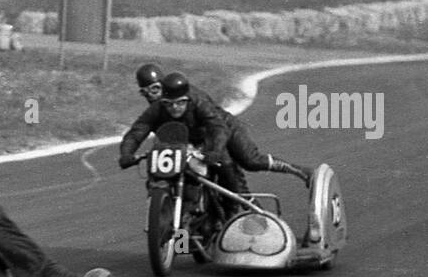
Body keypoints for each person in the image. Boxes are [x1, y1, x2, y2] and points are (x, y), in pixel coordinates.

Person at [124, 66, 312, 192]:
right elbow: (137, 132)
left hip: (221, 130)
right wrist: (126, 154)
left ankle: (299, 171)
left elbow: (217, 128)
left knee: (248, 161)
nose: (151, 97)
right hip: (195, 142)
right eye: (145, 92)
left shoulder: (195, 99)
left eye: (155, 89)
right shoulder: (157, 109)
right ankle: (183, 235)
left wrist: (213, 150)